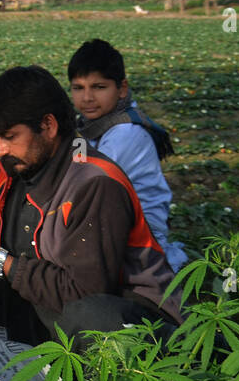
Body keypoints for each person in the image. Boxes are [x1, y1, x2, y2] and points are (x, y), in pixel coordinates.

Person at [0, 66, 181, 348]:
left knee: (93, 316)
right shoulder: (16, 165)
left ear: (48, 126)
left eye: (9, 136)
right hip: (57, 305)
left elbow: (84, 294)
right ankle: (8, 343)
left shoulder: (93, 183)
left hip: (135, 319)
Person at [68, 39, 185, 272]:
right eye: (78, 88)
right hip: (111, 215)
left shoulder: (125, 132)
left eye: (99, 87)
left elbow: (87, 185)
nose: (87, 97)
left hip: (143, 235)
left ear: (121, 88)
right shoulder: (89, 126)